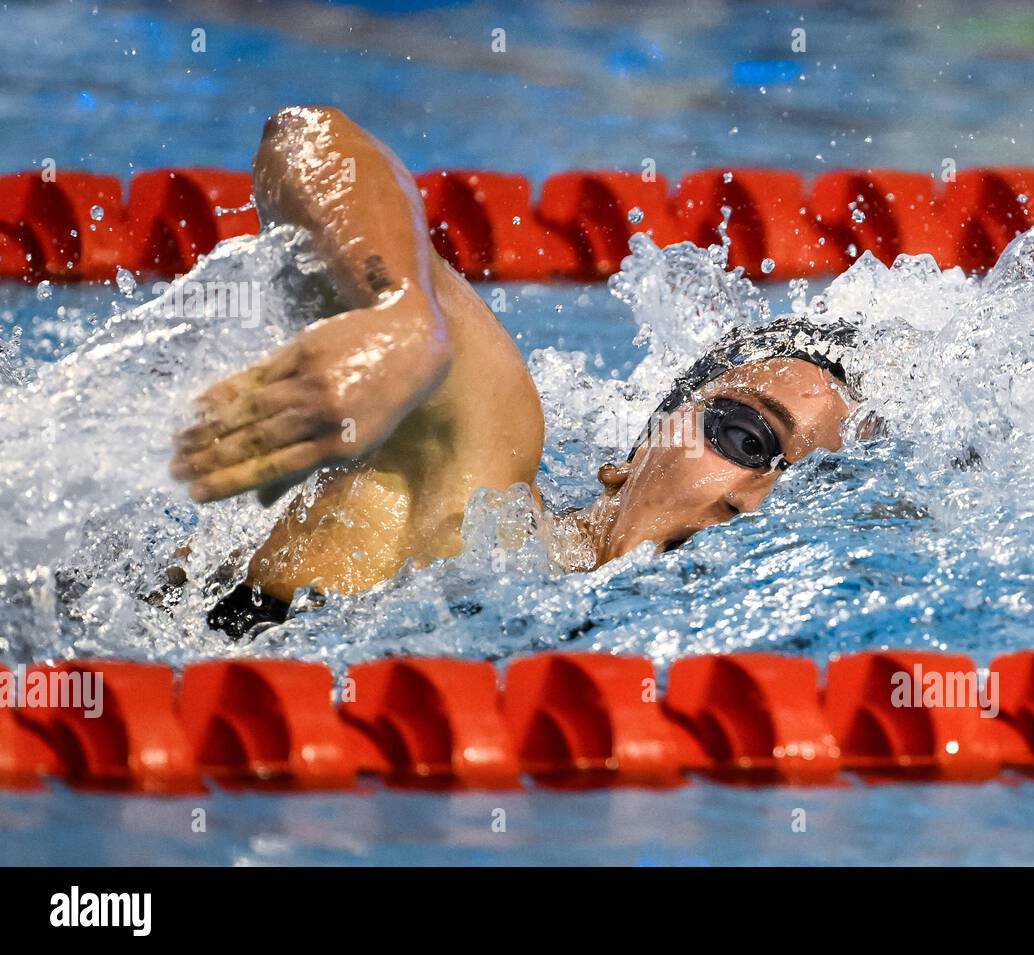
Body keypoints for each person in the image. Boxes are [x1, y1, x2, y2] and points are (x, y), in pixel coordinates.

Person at [171, 107, 876, 637]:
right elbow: (308, 141)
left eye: (812, 488)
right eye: (748, 439)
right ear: (629, 460)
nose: (753, 504)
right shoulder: (481, 501)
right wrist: (400, 317)